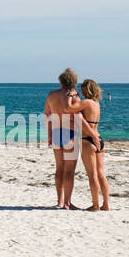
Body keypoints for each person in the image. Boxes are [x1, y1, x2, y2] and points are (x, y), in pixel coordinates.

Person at [43, 68, 82, 209]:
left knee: (59, 168)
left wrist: (49, 135)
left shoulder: (51, 95)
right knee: (69, 171)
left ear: (61, 81)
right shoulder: (74, 97)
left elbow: (47, 116)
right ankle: (67, 202)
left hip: (55, 133)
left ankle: (59, 201)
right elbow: (79, 118)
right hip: (70, 134)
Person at [74, 79, 111, 211]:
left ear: (87, 89)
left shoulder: (85, 103)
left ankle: (95, 205)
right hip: (99, 139)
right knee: (101, 173)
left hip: (87, 140)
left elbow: (69, 109)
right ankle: (106, 204)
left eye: (83, 89)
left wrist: (73, 96)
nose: (82, 91)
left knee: (92, 175)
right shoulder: (96, 104)